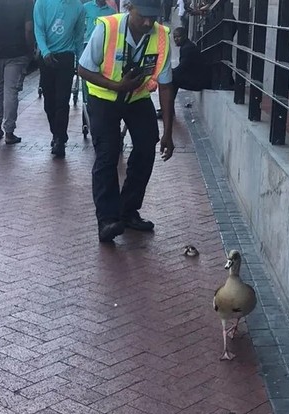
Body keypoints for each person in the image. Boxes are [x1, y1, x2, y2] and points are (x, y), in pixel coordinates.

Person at [78, 0, 175, 243]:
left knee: (146, 146)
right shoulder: (107, 28)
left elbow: (165, 85)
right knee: (108, 154)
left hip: (137, 97)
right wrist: (116, 86)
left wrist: (168, 132)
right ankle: (107, 220)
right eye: (143, 16)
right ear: (129, 7)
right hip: (104, 97)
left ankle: (128, 210)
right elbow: (83, 68)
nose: (147, 22)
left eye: (152, 17)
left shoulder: (161, 36)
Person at [0, 0, 35, 145]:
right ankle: (9, 131)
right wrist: (30, 50)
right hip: (17, 50)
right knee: (11, 91)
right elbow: (28, 28)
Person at [34, 0, 86, 158]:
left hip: (66, 57)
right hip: (47, 56)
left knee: (62, 101)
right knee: (49, 102)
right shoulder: (42, 3)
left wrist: (80, 61)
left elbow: (78, 36)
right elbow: (39, 29)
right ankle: (57, 133)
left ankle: (59, 140)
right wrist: (45, 51)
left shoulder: (78, 7)